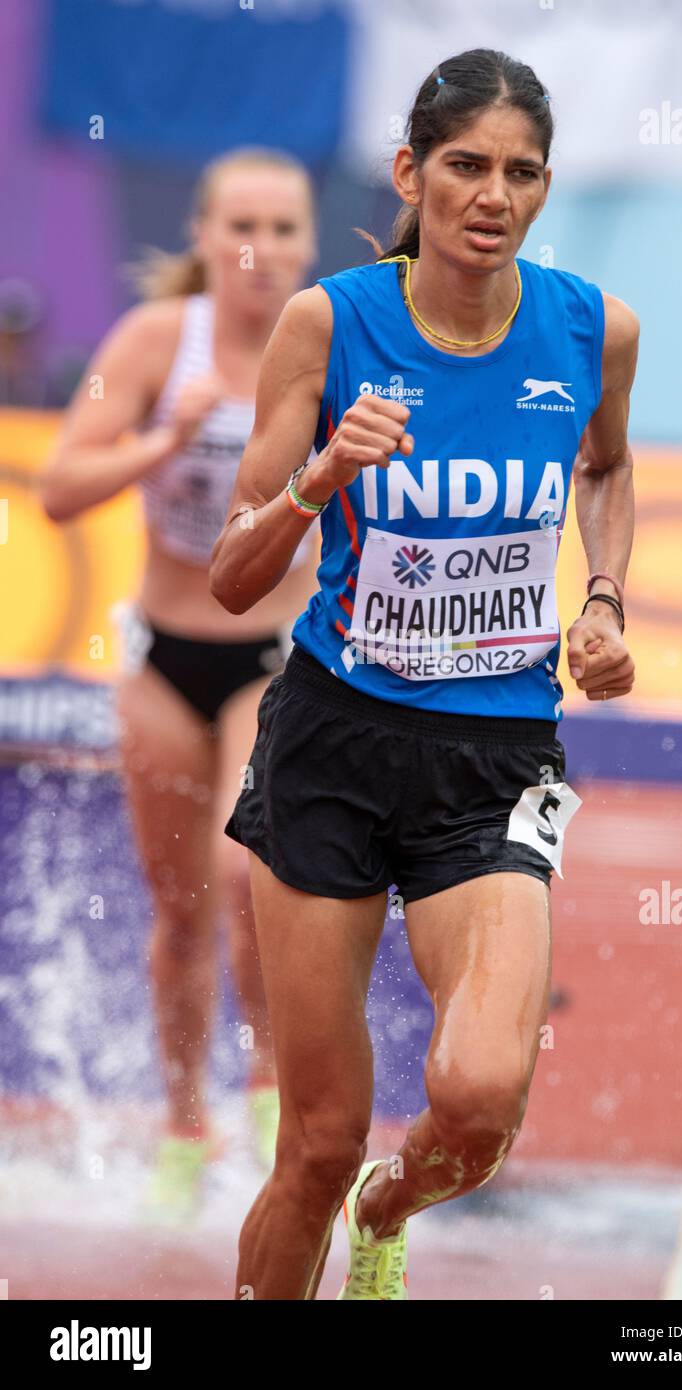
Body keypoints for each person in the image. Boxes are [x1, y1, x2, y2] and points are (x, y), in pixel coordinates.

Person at [210, 49, 638, 1300]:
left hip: (494, 757)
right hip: (335, 741)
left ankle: (389, 1210)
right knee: (315, 1143)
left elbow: (606, 469)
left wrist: (602, 597)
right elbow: (237, 573)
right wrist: (322, 478)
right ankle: (340, 1195)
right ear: (411, 171)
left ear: (544, 189)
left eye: (519, 172)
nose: (491, 194)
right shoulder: (330, 322)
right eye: (464, 166)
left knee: (479, 1101)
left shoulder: (589, 327)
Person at [39, 147, 319, 1219]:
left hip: (269, 653)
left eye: (284, 228)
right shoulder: (159, 340)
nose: (261, 250)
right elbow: (62, 486)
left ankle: (265, 1094)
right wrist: (163, 437)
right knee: (181, 903)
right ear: (204, 236)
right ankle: (182, 1130)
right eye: (240, 226)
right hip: (162, 652)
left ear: (306, 240)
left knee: (242, 877)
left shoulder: (327, 340)